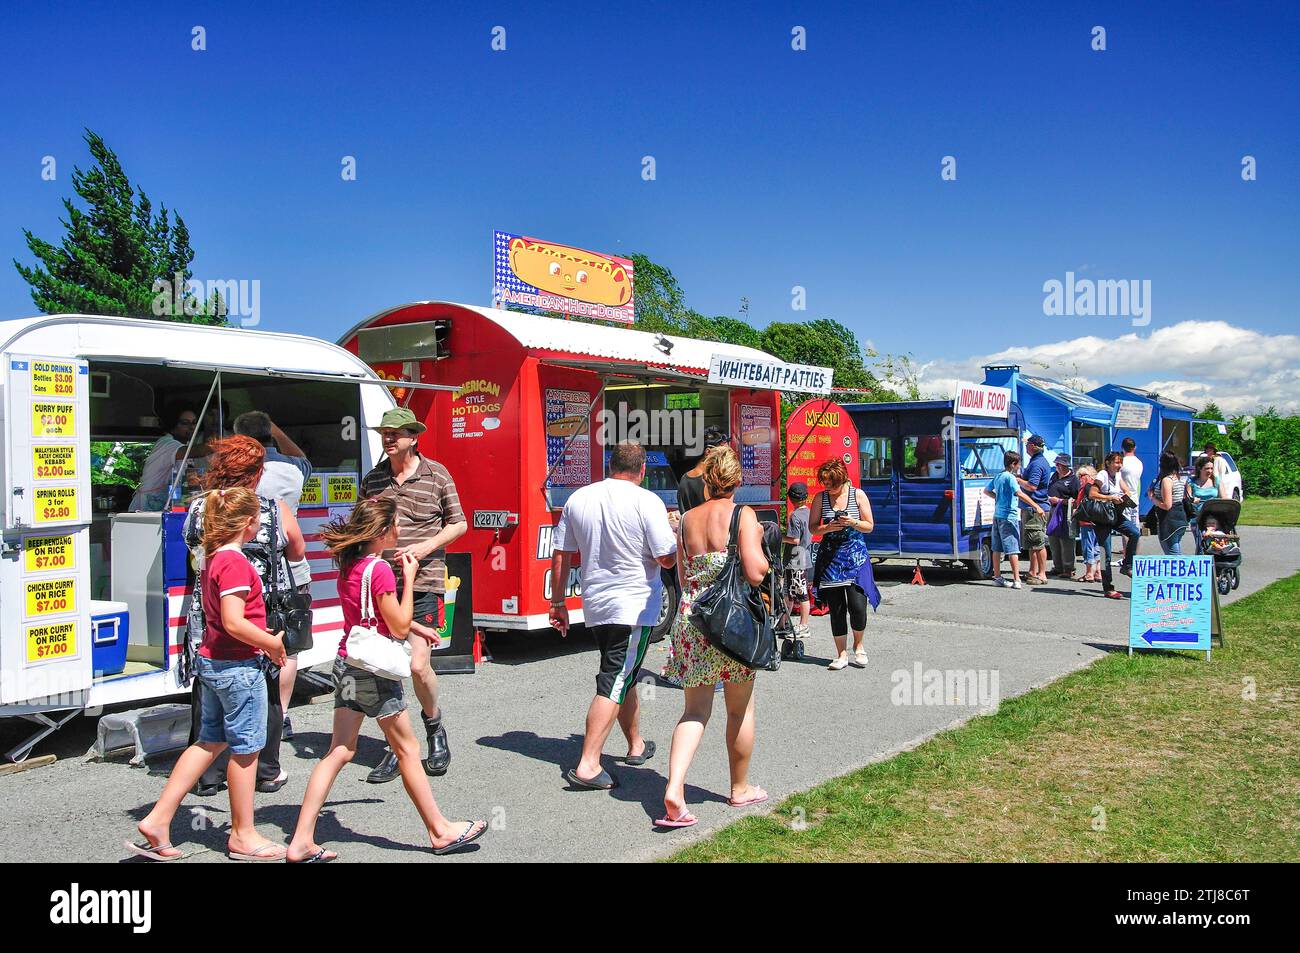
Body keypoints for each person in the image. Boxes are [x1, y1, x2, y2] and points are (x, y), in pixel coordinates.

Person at [286, 499, 487, 860]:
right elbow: (394, 623)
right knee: (409, 750)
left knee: (340, 750)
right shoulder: (379, 570)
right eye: (395, 525)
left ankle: (301, 838)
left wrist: (416, 627)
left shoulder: (350, 564)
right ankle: (440, 830)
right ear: (381, 532)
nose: (399, 531)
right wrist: (409, 580)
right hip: (374, 672)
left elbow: (369, 616)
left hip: (348, 662)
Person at [127, 488, 288, 861]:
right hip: (238, 665)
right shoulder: (235, 563)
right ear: (250, 524)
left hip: (213, 662)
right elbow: (234, 621)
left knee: (208, 741)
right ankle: (243, 834)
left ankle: (159, 818)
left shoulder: (212, 557)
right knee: (247, 749)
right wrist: (271, 643)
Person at [550, 442, 677, 790]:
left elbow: (562, 554)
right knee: (615, 679)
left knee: (623, 675)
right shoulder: (647, 501)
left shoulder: (580, 498)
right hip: (633, 606)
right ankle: (589, 764)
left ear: (611, 465)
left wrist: (558, 601)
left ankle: (635, 743)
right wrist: (677, 533)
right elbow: (666, 557)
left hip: (596, 605)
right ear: (642, 471)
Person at [183, 436, 305, 796]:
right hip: (258, 607)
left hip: (209, 606)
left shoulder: (199, 507)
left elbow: (190, 547)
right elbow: (295, 547)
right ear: (256, 473)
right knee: (261, 687)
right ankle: (265, 769)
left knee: (209, 688)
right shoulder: (269, 506)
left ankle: (207, 775)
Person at [659, 445, 770, 828]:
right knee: (740, 709)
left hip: (692, 619)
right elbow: (756, 573)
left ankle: (674, 788)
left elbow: (681, 573)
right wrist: (755, 538)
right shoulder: (743, 514)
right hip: (732, 623)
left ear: (707, 480)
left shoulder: (688, 518)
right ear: (737, 481)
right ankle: (740, 788)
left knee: (694, 710)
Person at [360, 407, 467, 783]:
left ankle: (434, 726)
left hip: (424, 581)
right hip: (382, 583)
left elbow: (459, 523)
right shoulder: (373, 480)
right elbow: (364, 528)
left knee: (418, 665)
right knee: (386, 665)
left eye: (396, 433)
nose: (388, 439)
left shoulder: (437, 474)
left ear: (413, 437)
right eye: (384, 433)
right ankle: (398, 744)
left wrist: (424, 548)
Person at [233, 410, 313, 742]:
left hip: (248, 572)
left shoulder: (240, 474)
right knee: (288, 649)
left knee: (251, 644)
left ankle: (254, 714)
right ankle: (280, 716)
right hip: (292, 571)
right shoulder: (294, 471)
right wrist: (276, 427)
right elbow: (303, 457)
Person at [809, 457, 879, 670]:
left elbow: (869, 526)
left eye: (832, 483)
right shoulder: (820, 498)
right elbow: (813, 528)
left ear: (843, 480)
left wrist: (853, 522)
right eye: (825, 483)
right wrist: (827, 528)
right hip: (830, 559)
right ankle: (841, 654)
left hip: (855, 558)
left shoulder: (858, 495)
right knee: (836, 608)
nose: (828, 487)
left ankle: (859, 646)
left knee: (857, 606)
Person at [985, 450, 1043, 590]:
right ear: (1013, 464)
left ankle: (997, 577)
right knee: (1012, 549)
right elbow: (1019, 493)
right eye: (1018, 464)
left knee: (996, 548)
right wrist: (1036, 506)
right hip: (1009, 517)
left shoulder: (998, 476)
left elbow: (987, 491)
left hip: (997, 516)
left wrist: (998, 498)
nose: (1019, 466)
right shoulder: (1010, 478)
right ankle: (1017, 579)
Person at [233, 411, 312, 510]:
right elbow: (304, 461)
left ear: (241, 440)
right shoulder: (295, 468)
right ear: (270, 434)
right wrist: (278, 434)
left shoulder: (236, 472)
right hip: (287, 525)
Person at [129, 403, 199, 511]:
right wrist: (223, 444)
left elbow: (181, 488)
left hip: (165, 508)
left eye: (194, 423)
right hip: (144, 510)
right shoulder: (167, 444)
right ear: (173, 424)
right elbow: (193, 452)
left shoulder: (185, 446)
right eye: (185, 423)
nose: (192, 427)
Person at [1091, 451, 1140, 599]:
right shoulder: (1102, 475)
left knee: (1135, 532)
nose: (1119, 465)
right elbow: (1092, 494)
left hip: (1115, 514)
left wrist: (1125, 496)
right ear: (1108, 463)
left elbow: (1126, 490)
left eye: (1120, 462)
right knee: (1106, 553)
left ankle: (1127, 565)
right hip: (1102, 516)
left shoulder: (1118, 476)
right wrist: (1110, 497)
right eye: (1116, 462)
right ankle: (1108, 587)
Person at [1016, 435, 1052, 585]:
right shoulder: (1037, 461)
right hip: (1035, 507)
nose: (1025, 447)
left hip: (1036, 507)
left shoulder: (1037, 464)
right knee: (1032, 542)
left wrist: (1018, 480)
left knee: (1038, 542)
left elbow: (1032, 486)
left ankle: (1042, 573)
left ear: (1032, 446)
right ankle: (1032, 571)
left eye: (1027, 445)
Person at [782, 482, 812, 639]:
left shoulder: (794, 516)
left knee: (800, 593)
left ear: (791, 499)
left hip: (796, 559)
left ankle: (804, 625)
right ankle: (784, 622)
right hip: (804, 556)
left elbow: (794, 539)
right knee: (791, 592)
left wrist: (780, 537)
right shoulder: (809, 512)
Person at [676, 426, 728, 513]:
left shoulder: (684, 478)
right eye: (723, 452)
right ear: (708, 452)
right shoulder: (709, 481)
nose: (726, 457)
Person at [1148, 451, 1190, 555]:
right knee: (1175, 548)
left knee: (1173, 555)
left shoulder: (1167, 480)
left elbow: (1167, 505)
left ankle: (1179, 570)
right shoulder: (1178, 477)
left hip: (1170, 521)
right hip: (1180, 518)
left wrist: (1152, 498)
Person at [1046, 453, 1079, 578]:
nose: (1057, 466)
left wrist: (1059, 501)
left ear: (1066, 465)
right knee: (1053, 538)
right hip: (1053, 510)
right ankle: (1057, 566)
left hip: (1066, 512)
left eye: (1060, 464)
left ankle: (1069, 568)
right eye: (1056, 464)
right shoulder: (1054, 476)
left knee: (1066, 540)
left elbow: (1076, 500)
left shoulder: (1073, 479)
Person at [1117, 437, 1144, 566]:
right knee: (1135, 528)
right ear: (1135, 447)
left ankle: (1126, 558)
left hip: (1124, 497)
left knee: (1125, 529)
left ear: (1122, 448)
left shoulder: (1121, 463)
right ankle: (1135, 557)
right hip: (1135, 497)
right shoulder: (1139, 463)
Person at [1074, 465, 1102, 582]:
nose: (1079, 478)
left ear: (1089, 476)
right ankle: (1098, 572)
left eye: (1082, 476)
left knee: (1088, 547)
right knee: (1097, 547)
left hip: (1087, 521)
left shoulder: (1087, 488)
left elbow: (1082, 504)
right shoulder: (1095, 487)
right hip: (1097, 521)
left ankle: (1089, 573)